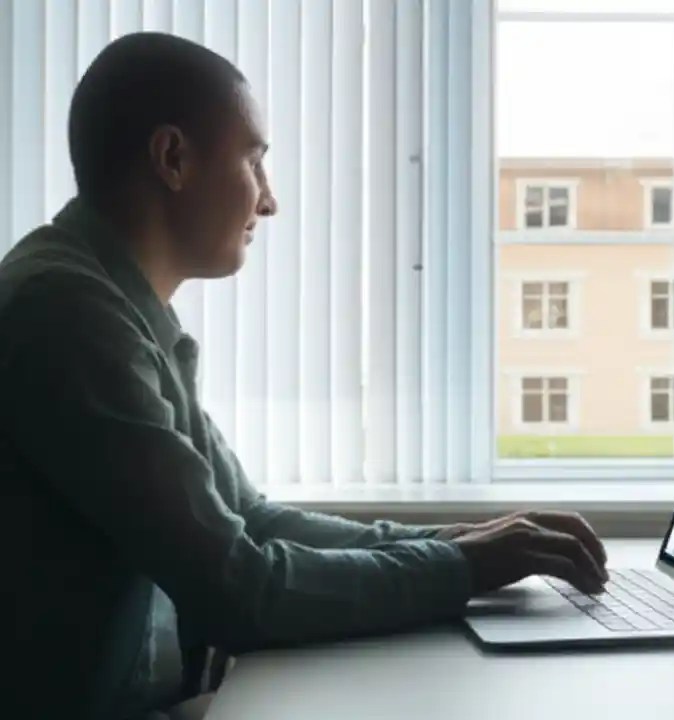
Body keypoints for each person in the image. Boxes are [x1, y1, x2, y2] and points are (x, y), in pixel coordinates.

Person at [0, 32, 609, 720]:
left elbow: (250, 519)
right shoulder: (66, 317)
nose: (269, 201)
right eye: (255, 161)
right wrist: (464, 567)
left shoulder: (108, 303)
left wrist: (456, 542)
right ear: (173, 158)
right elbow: (241, 589)